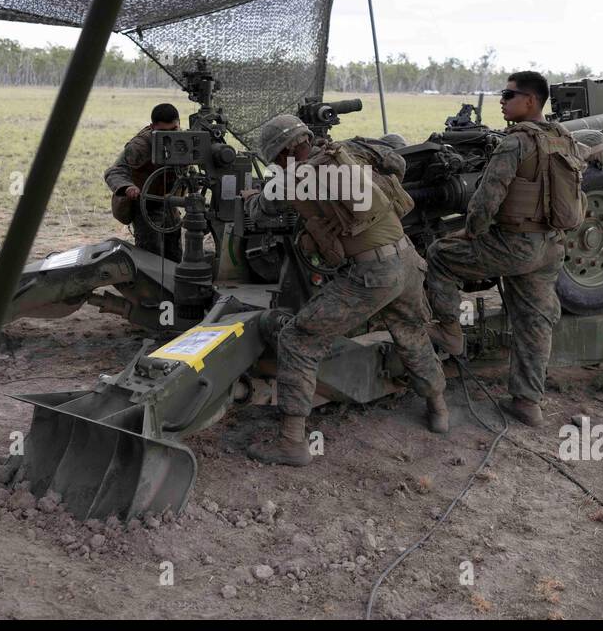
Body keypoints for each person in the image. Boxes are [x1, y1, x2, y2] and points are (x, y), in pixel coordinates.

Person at [244, 113, 448, 466]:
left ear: (280, 154)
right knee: (411, 331)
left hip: (372, 275)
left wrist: (252, 194)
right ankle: (439, 409)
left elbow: (259, 210)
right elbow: (397, 161)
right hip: (408, 260)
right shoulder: (349, 149)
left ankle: (292, 443)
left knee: (298, 338)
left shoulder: (291, 180)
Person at [425, 70, 584, 428]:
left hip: (514, 245)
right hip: (550, 246)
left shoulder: (515, 143)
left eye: (509, 95)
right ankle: (528, 404)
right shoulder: (564, 138)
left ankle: (450, 330)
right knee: (535, 322)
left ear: (530, 101)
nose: (502, 100)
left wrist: (472, 233)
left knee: (439, 254)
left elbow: (486, 198)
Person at [104, 103, 183, 261]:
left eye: (173, 130)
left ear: (179, 124)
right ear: (152, 127)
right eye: (162, 132)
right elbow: (115, 171)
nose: (168, 136)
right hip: (146, 205)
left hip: (169, 203)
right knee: (150, 254)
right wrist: (128, 187)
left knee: (173, 252)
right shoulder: (140, 146)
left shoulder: (184, 141)